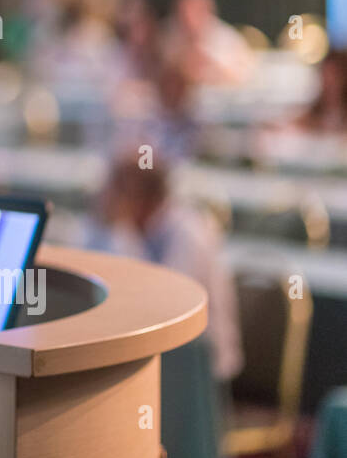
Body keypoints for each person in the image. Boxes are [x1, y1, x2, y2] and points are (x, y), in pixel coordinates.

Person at [83, 154, 242, 384]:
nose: (104, 195)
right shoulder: (130, 225)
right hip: (159, 356)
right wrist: (104, 225)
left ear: (138, 196)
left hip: (196, 369)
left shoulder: (189, 234)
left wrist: (120, 230)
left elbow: (159, 307)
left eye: (113, 188)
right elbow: (90, 265)